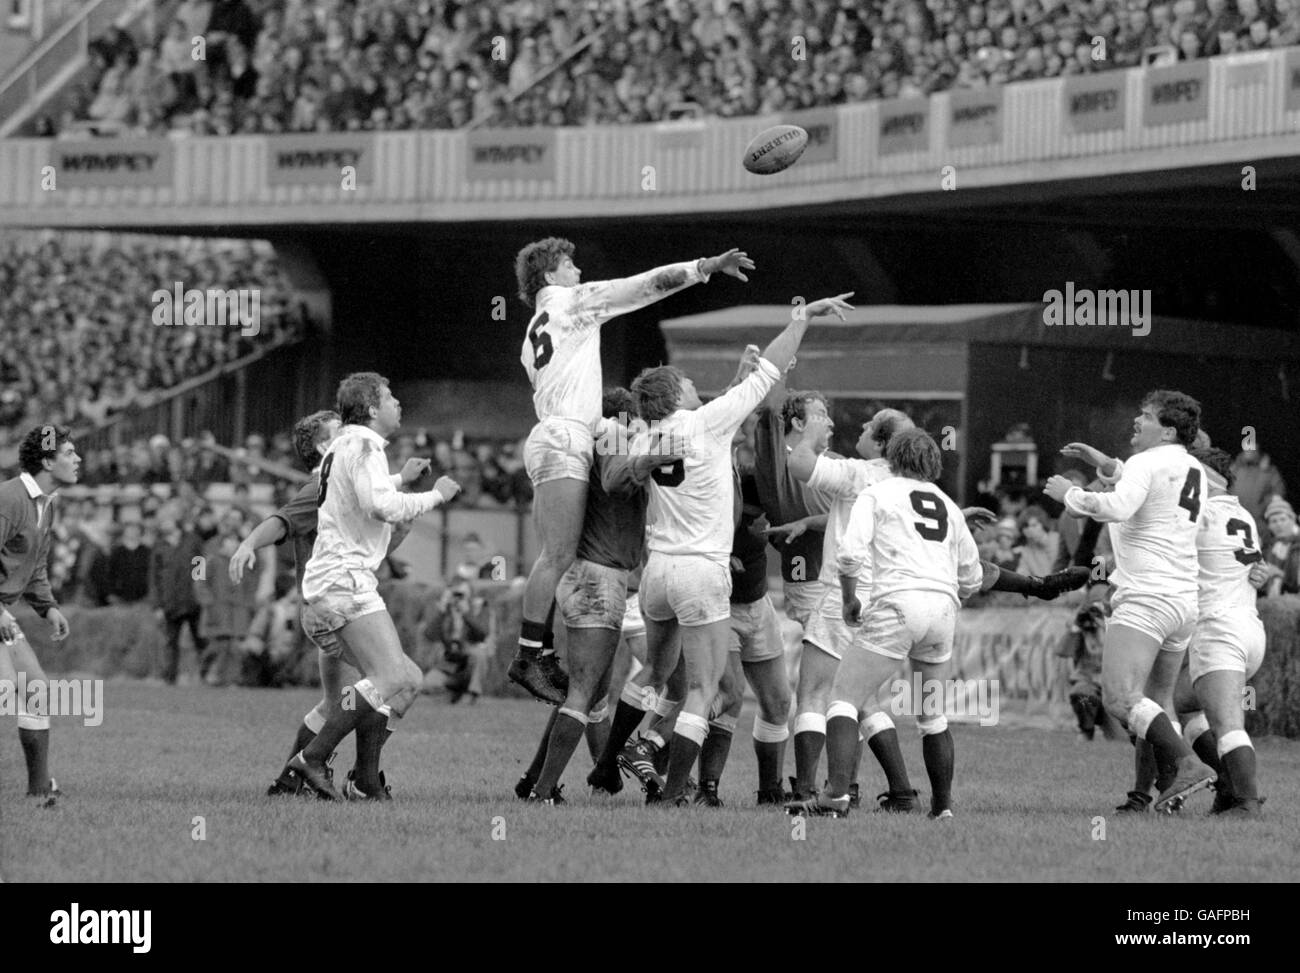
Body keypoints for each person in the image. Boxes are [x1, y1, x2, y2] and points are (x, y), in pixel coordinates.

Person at [596, 293, 852, 808]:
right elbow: (769, 375)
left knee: (656, 671)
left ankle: (607, 763)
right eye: (690, 383)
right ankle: (672, 795)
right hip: (699, 571)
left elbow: (617, 478)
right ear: (676, 395)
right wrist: (799, 318)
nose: (697, 386)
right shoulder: (701, 424)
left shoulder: (650, 436)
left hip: (657, 572)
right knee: (706, 689)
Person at [508, 236, 755, 705]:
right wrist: (703, 266)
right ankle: (529, 656)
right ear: (550, 275)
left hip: (560, 434)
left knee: (560, 554)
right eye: (570, 264)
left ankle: (539, 654)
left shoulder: (533, 331)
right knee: (557, 554)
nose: (578, 272)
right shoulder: (573, 303)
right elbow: (643, 287)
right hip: (564, 438)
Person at [233, 408, 431, 798]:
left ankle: (289, 783)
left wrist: (402, 491)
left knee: (337, 701)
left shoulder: (343, 485)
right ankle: (356, 777)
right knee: (400, 682)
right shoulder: (318, 487)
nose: (350, 433)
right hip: (337, 607)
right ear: (326, 445)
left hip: (330, 606)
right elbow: (282, 520)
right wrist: (249, 543)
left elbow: (375, 545)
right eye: (339, 430)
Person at [788, 428, 983, 819]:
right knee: (931, 714)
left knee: (844, 697)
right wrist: (946, 597)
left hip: (897, 602)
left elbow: (850, 556)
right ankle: (941, 809)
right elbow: (973, 577)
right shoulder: (947, 504)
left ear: (892, 459)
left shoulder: (877, 493)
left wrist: (849, 600)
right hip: (942, 610)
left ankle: (836, 796)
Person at [282, 373, 460, 800]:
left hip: (333, 584)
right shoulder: (363, 444)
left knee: (405, 680)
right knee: (391, 676)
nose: (397, 403)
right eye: (390, 397)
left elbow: (361, 494)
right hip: (345, 582)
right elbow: (378, 505)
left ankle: (363, 778)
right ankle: (312, 758)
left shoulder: (348, 446)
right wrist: (435, 496)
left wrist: (400, 478)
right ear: (372, 407)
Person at [1043, 390, 1217, 813]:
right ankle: (1156, 793)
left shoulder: (1146, 463)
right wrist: (1104, 464)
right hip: (1182, 602)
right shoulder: (1192, 466)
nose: (1137, 421)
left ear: (1168, 430)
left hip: (1146, 596)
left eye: (1147, 416)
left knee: (1119, 699)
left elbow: (1119, 506)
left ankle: (1188, 766)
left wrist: (1071, 494)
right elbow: (1144, 484)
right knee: (1156, 703)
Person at [516, 388, 671, 804]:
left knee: (586, 692)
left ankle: (534, 779)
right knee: (584, 692)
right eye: (636, 419)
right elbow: (616, 479)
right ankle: (544, 792)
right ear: (623, 417)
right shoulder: (613, 439)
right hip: (597, 577)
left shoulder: (591, 444)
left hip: (591, 575)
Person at [1170, 447, 1267, 817]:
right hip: (1250, 629)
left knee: (1227, 723)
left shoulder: (1197, 515)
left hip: (1219, 630)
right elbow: (1248, 563)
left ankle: (1245, 800)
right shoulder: (1241, 513)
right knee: (1176, 704)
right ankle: (1230, 787)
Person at [0, 425, 79, 807]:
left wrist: (48, 608)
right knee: (4, 690)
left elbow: (36, 564)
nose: (78, 459)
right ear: (47, 461)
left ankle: (39, 790)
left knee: (35, 689)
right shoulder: (9, 498)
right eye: (69, 453)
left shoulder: (47, 502)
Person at [149, 510, 207, 684]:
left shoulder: (193, 541)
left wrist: (200, 593)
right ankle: (169, 678)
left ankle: (205, 675)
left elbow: (200, 567)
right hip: (170, 602)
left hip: (192, 600)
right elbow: (154, 577)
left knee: (200, 640)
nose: (162, 524)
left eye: (165, 520)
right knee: (170, 643)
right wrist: (157, 605)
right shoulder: (159, 545)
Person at [106, 521, 152, 604]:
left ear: (140, 532)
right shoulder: (117, 552)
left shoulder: (147, 552)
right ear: (124, 532)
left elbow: (152, 574)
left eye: (135, 529)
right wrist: (111, 594)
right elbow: (110, 574)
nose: (132, 532)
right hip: (120, 598)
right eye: (129, 529)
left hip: (143, 598)